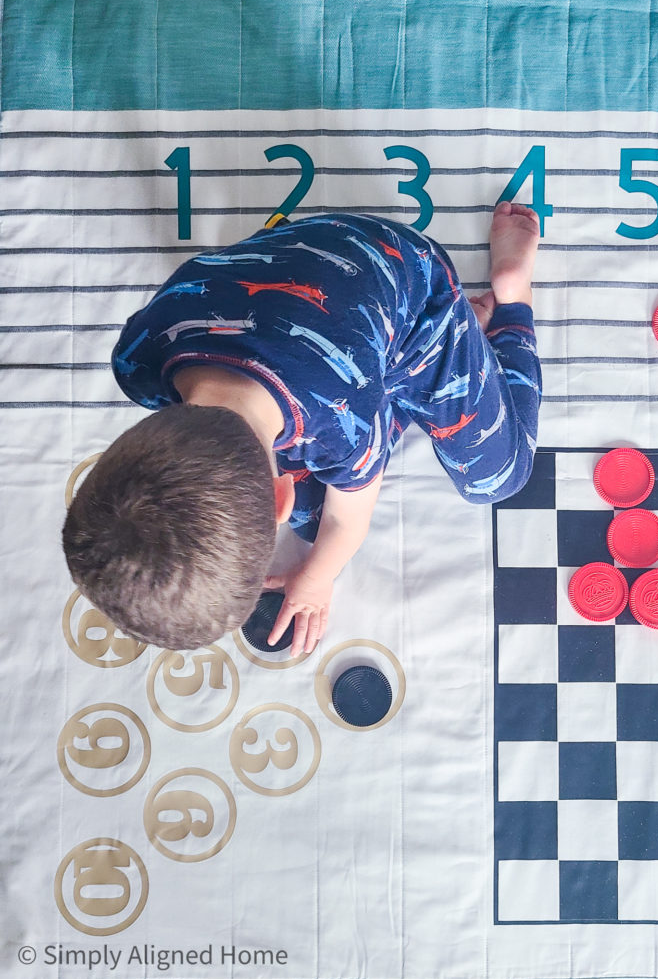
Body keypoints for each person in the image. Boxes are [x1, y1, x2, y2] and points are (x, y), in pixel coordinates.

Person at [62, 202, 541, 656]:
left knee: (496, 480)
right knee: (319, 515)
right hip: (297, 264)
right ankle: (452, 364)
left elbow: (347, 523)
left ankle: (510, 303)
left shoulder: (342, 427)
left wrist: (315, 581)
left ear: (281, 498)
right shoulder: (137, 361)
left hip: (413, 286)